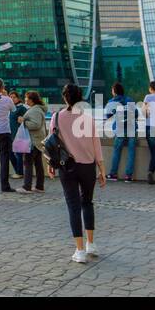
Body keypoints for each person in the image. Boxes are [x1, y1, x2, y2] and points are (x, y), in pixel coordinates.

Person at [47, 83, 106, 262]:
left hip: (67, 167)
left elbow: (52, 145)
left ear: (65, 97)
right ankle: (91, 244)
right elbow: (96, 145)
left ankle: (79, 251)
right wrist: (102, 170)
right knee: (87, 203)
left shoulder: (56, 117)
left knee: (73, 207)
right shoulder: (88, 119)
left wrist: (51, 164)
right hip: (88, 167)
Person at [104, 83, 137, 183]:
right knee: (131, 152)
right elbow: (136, 114)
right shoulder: (130, 100)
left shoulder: (111, 102)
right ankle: (128, 176)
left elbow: (107, 116)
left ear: (114, 91)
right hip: (131, 127)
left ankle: (113, 174)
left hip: (119, 129)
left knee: (117, 151)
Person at [18, 90, 47, 193]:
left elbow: (36, 125)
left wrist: (23, 122)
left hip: (32, 141)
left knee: (28, 163)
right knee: (38, 164)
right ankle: (39, 186)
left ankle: (27, 186)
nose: (25, 99)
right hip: (38, 141)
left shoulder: (35, 110)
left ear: (31, 100)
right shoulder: (38, 109)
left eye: (26, 98)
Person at [8, 92, 26, 178]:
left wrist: (23, 120)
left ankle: (19, 173)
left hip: (19, 135)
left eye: (14, 97)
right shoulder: (11, 109)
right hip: (10, 135)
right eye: (10, 97)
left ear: (18, 98)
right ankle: (17, 171)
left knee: (18, 155)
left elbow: (26, 119)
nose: (12, 99)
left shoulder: (21, 108)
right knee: (10, 154)